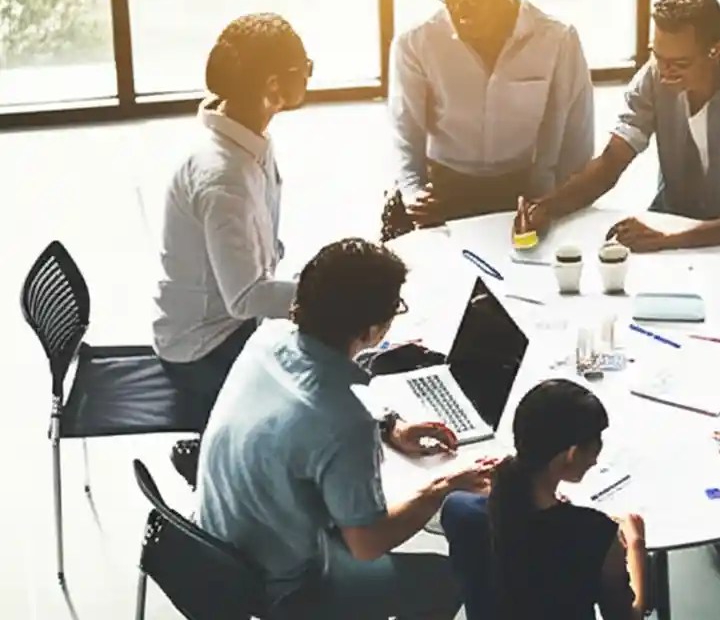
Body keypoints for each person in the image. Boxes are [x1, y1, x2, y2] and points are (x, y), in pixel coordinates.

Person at [195, 238, 494, 620]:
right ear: (372, 330)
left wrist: (389, 426)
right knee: (447, 578)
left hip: (212, 545)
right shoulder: (345, 423)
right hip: (276, 586)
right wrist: (442, 487)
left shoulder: (266, 338)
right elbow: (367, 543)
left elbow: (312, 407)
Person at [153, 12, 311, 486]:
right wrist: (334, 294)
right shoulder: (225, 177)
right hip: (206, 347)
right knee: (315, 400)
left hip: (218, 322)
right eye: (304, 67)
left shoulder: (245, 139)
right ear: (273, 85)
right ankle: (225, 465)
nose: (308, 75)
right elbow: (245, 298)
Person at [516, 0, 720, 252]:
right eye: (658, 57)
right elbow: (612, 162)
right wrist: (546, 207)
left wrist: (669, 240)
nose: (664, 72)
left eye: (679, 63)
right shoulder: (654, 78)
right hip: (673, 234)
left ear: (715, 50)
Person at [383, 0, 593, 241]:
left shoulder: (557, 41)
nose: (460, 10)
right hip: (443, 189)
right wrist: (414, 194)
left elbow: (575, 141)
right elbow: (406, 135)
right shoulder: (415, 44)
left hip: (525, 191)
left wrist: (553, 205)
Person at [440, 379, 647, 620]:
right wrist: (636, 545)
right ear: (571, 454)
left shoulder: (458, 510)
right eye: (596, 443)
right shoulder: (596, 534)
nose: (595, 459)